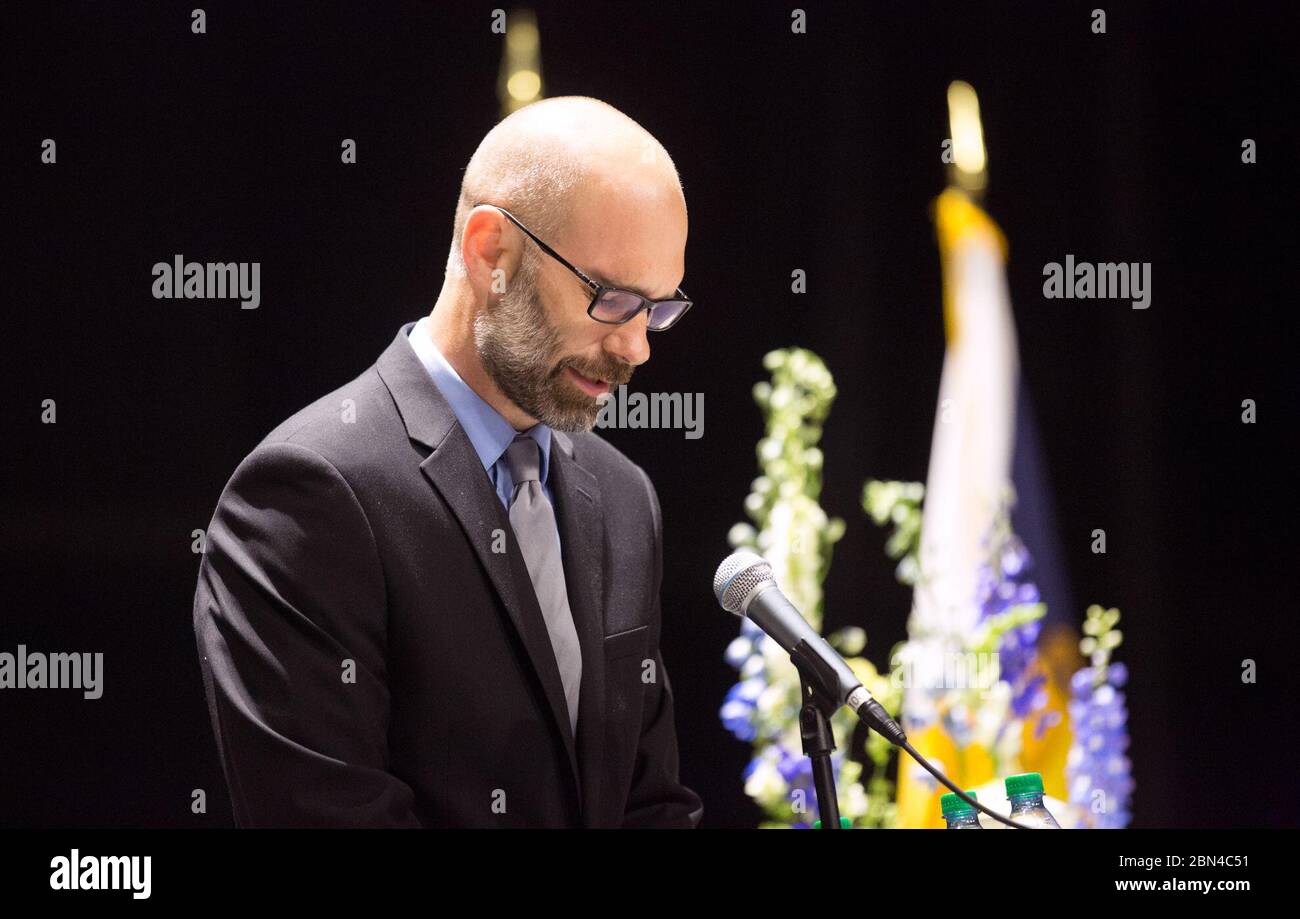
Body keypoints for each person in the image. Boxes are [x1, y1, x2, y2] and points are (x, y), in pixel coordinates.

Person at [192, 96, 703, 827]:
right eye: (612, 299)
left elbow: (652, 802)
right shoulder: (307, 494)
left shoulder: (623, 496)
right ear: (490, 250)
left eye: (657, 309)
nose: (636, 348)